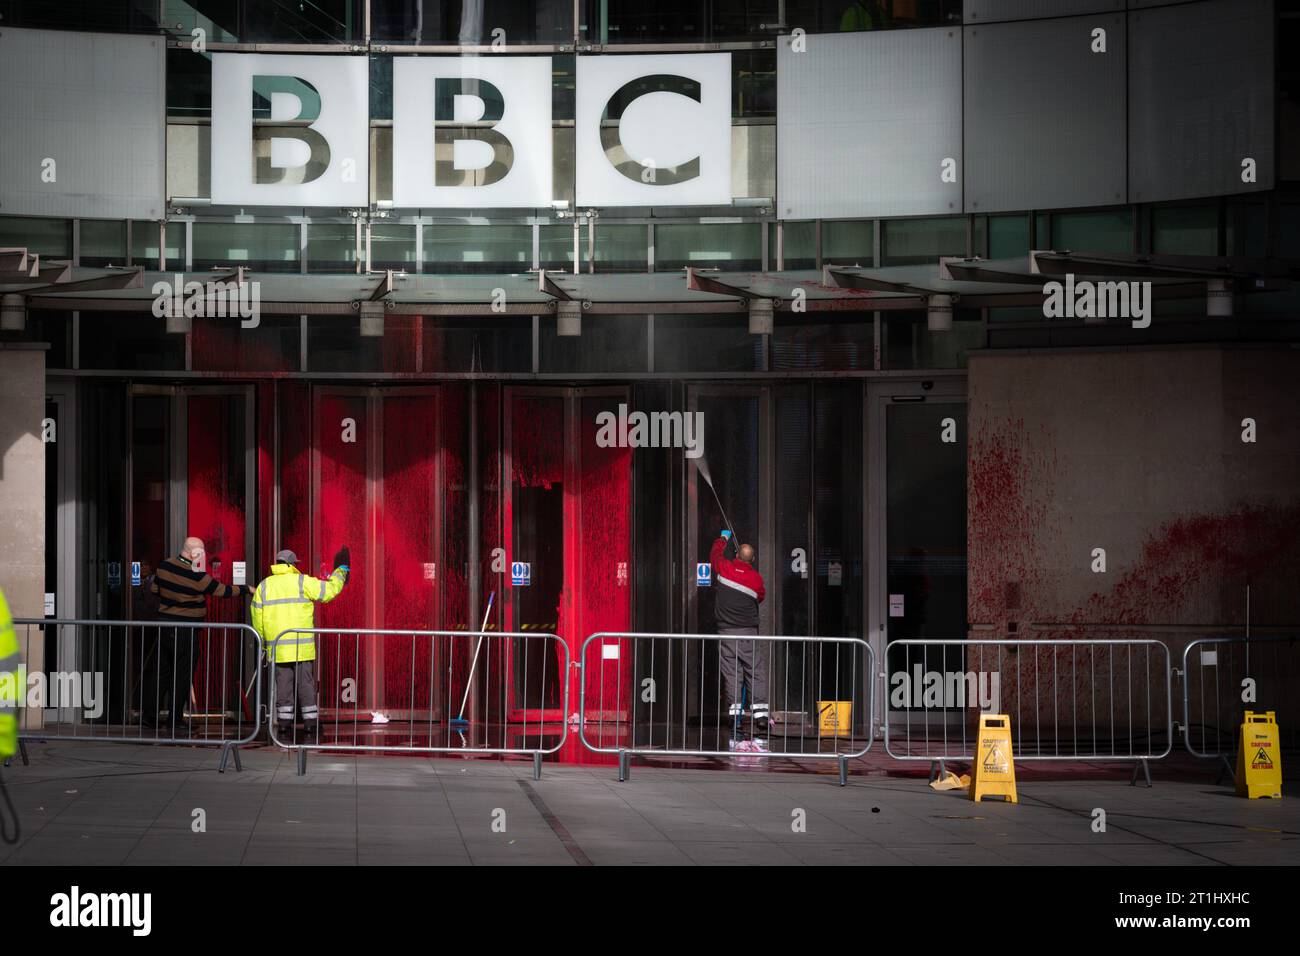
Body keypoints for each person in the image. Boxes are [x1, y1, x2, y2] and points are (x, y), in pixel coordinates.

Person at [144, 537, 250, 734]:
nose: (203, 556)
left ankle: (149, 717)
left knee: (161, 673)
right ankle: (175, 721)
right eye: (201, 553)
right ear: (193, 553)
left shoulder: (164, 566)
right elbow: (223, 590)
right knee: (182, 675)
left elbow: (154, 589)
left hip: (164, 627)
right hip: (185, 630)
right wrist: (247, 589)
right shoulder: (197, 576)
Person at [251, 547, 349, 741]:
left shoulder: (264, 585)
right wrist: (340, 573)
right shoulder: (302, 581)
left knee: (283, 685)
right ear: (292, 564)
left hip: (278, 646)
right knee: (305, 684)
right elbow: (329, 592)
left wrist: (264, 642)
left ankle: (284, 724)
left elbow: (256, 616)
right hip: (301, 646)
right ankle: (310, 723)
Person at [710, 530, 769, 731]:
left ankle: (735, 716)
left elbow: (715, 553)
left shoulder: (724, 567)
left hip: (726, 633)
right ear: (752, 560)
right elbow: (760, 597)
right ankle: (761, 716)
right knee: (755, 672)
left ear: (736, 555)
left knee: (731, 673)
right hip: (748, 633)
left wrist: (723, 538)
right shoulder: (756, 579)